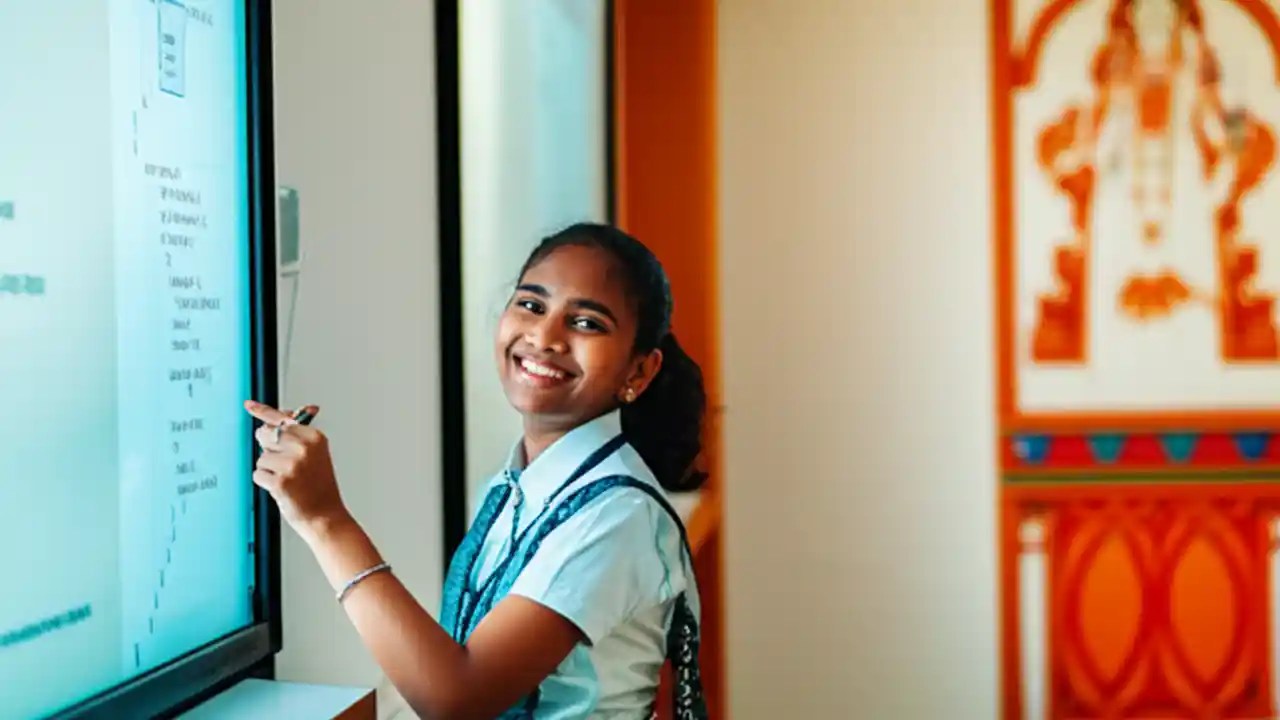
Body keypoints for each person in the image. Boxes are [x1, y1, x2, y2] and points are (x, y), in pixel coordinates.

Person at [243, 223, 709, 719]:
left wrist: (325, 520)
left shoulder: (616, 515)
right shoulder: (519, 485)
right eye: (531, 305)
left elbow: (458, 700)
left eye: (587, 324)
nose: (545, 337)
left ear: (638, 372)